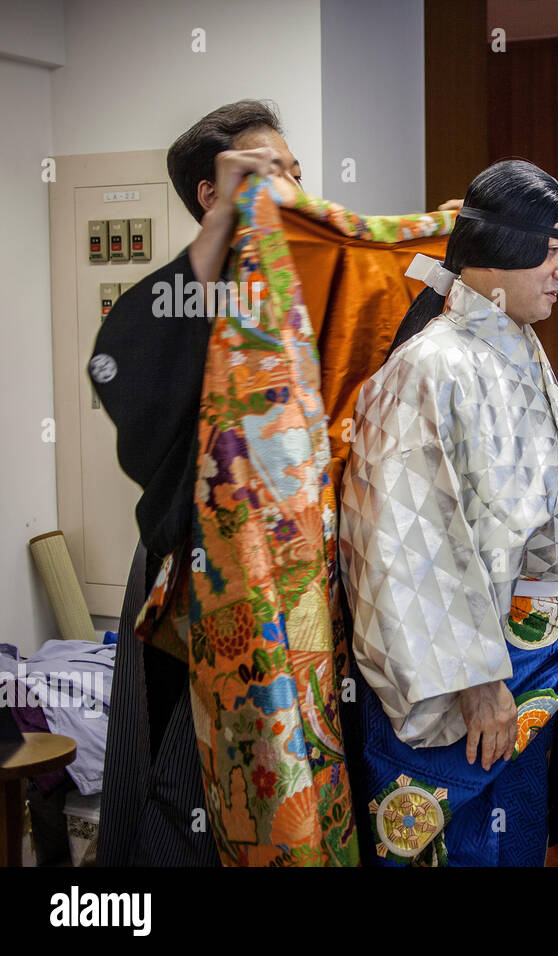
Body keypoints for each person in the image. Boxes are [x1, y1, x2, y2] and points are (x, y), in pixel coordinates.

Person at [339, 160, 558, 867]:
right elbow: (402, 544)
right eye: (553, 249)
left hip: (527, 651)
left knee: (516, 840)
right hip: (468, 672)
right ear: (500, 254)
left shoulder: (515, 341)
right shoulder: (428, 367)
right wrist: (476, 679)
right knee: (463, 851)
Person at [93, 100, 306, 866]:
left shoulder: (291, 293)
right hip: (191, 582)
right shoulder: (175, 301)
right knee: (179, 778)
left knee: (280, 777)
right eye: (264, 172)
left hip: (291, 585)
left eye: (294, 170)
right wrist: (214, 244)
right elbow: (129, 384)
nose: (289, 185)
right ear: (211, 193)